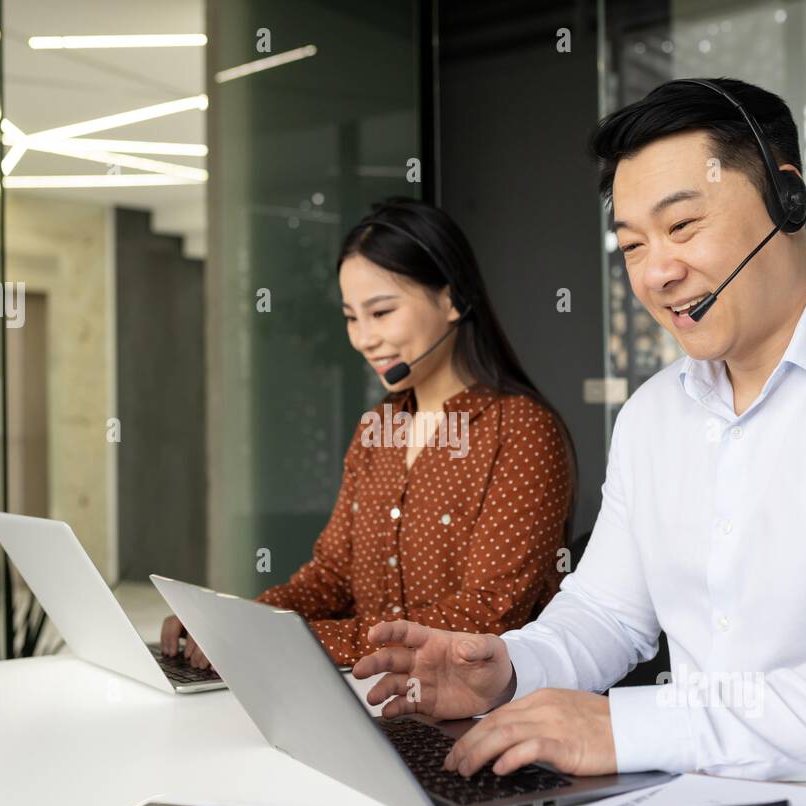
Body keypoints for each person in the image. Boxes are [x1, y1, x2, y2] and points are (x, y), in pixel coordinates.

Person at [354, 78, 806, 806]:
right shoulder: (655, 415)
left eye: (683, 226)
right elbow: (607, 612)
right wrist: (513, 665)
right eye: (631, 245)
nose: (656, 273)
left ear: (787, 200)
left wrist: (633, 726)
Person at [162, 197, 576, 667]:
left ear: (452, 299)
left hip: (477, 715)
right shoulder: (377, 429)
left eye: (380, 313)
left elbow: (485, 615)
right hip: (362, 698)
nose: (362, 338)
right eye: (350, 317)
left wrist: (294, 645)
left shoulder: (521, 431)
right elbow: (333, 577)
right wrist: (235, 624)